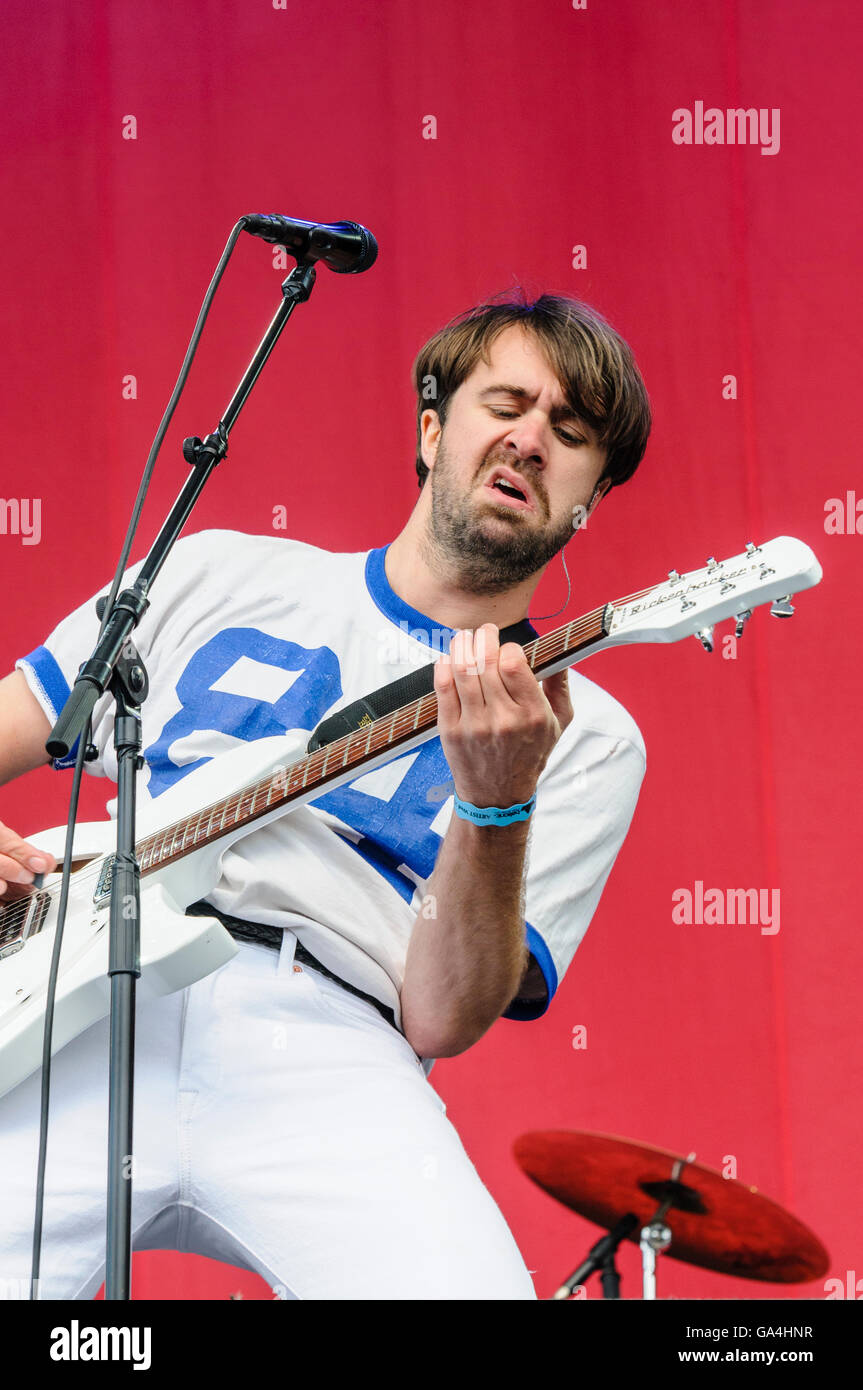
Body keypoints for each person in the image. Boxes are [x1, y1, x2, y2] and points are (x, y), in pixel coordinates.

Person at [0, 290, 651, 1300]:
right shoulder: (216, 570)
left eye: (569, 435)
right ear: (433, 429)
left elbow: (438, 1015)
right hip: (82, 989)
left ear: (587, 500)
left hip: (328, 1040)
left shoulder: (582, 733)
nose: (528, 440)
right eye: (506, 404)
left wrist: (492, 803)